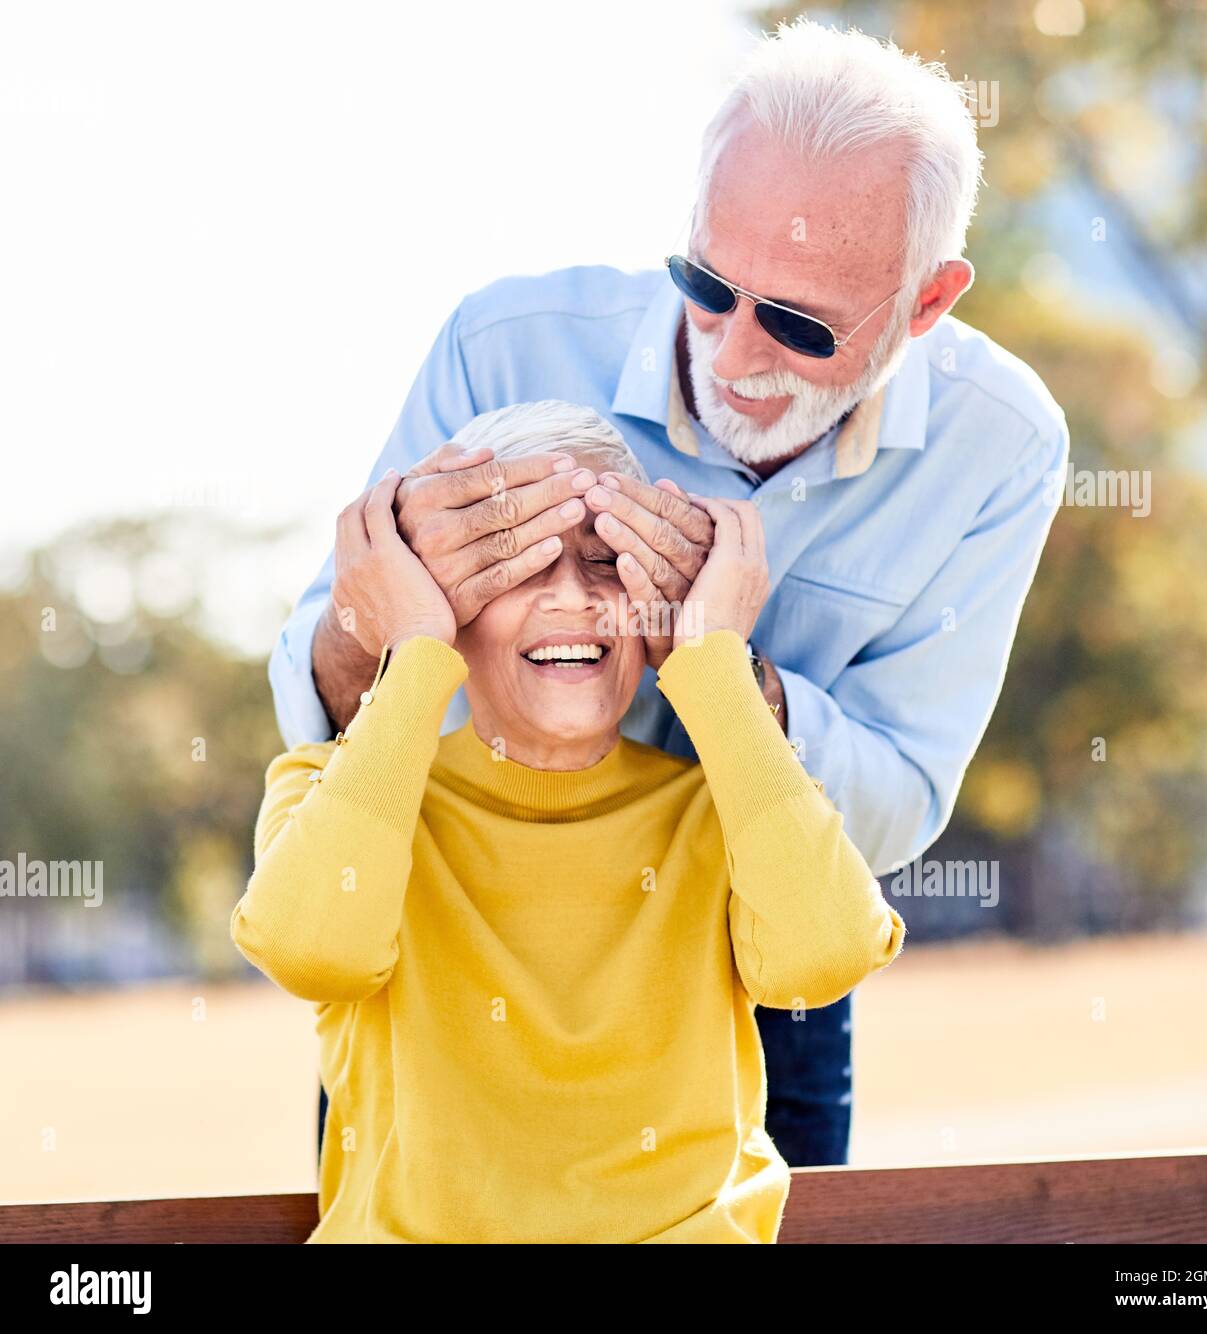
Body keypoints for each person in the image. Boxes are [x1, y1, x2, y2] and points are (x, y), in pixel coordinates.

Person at [270, 20, 1068, 1166]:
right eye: (706, 283)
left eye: (798, 325)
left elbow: (896, 805)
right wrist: (382, 621)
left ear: (926, 303)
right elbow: (318, 694)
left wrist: (723, 668)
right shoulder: (505, 345)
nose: (734, 355)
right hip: (446, 932)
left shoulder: (999, 447)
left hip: (748, 947)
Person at [232, 401, 906, 1243]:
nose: (572, 599)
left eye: (606, 564)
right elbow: (310, 948)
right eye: (516, 567)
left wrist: (712, 661)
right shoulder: (341, 794)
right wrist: (412, 650)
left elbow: (826, 958)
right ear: (445, 601)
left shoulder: (726, 806)